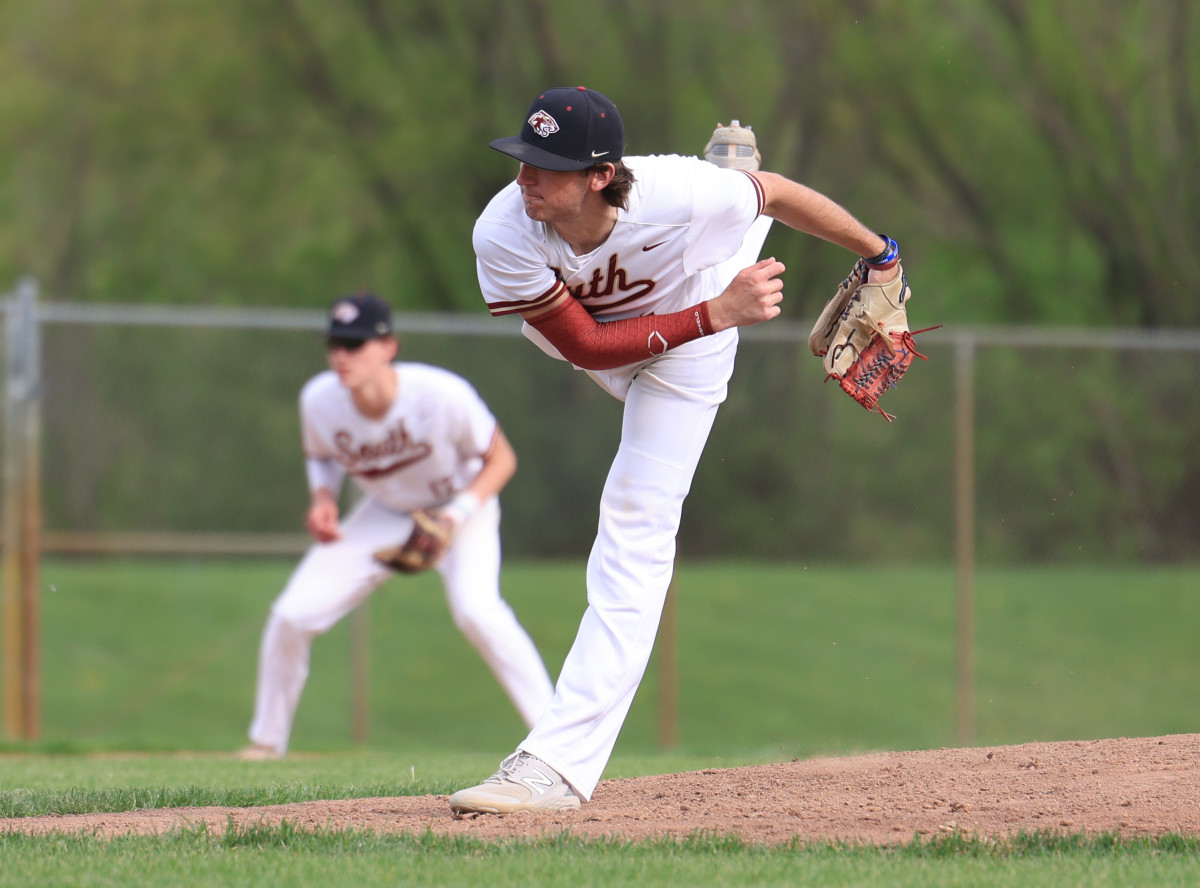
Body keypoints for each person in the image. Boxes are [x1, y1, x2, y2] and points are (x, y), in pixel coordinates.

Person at [448, 87, 904, 814]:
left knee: (634, 524)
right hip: (609, 339)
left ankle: (556, 767)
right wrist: (719, 309)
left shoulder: (670, 193)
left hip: (688, 355)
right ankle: (731, 229)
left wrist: (882, 255)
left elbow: (780, 193)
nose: (525, 177)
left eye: (547, 165)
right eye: (522, 160)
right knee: (718, 247)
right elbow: (590, 346)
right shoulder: (504, 231)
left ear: (601, 173)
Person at [237, 293, 554, 760]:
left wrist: (455, 516)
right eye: (335, 345)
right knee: (291, 615)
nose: (342, 356)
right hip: (384, 511)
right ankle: (266, 742)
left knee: (477, 612)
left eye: (356, 344)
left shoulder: (440, 395)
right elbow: (321, 455)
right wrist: (322, 498)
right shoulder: (320, 400)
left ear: (389, 347)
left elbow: (501, 458)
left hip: (459, 506)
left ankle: (556, 740)